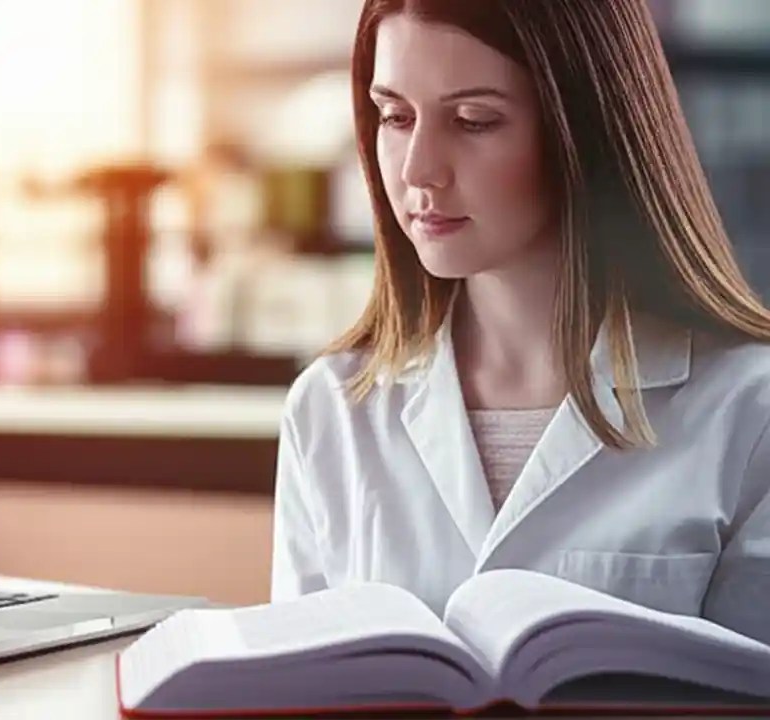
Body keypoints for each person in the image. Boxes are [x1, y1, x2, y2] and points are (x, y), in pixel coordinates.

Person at [271, 0, 770, 646]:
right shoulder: (330, 410)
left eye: (473, 121)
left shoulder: (749, 411)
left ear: (585, 129)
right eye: (395, 116)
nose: (418, 169)